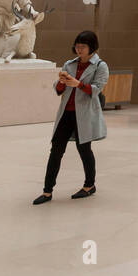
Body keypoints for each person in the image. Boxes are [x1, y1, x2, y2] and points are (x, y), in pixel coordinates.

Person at [33, 30, 109, 205]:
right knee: (56, 151)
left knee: (84, 150)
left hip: (85, 115)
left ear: (92, 47)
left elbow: (97, 89)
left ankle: (89, 185)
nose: (79, 49)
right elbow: (58, 90)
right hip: (66, 114)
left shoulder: (100, 66)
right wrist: (61, 81)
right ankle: (47, 191)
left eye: (83, 46)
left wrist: (79, 84)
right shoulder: (69, 64)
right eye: (77, 46)